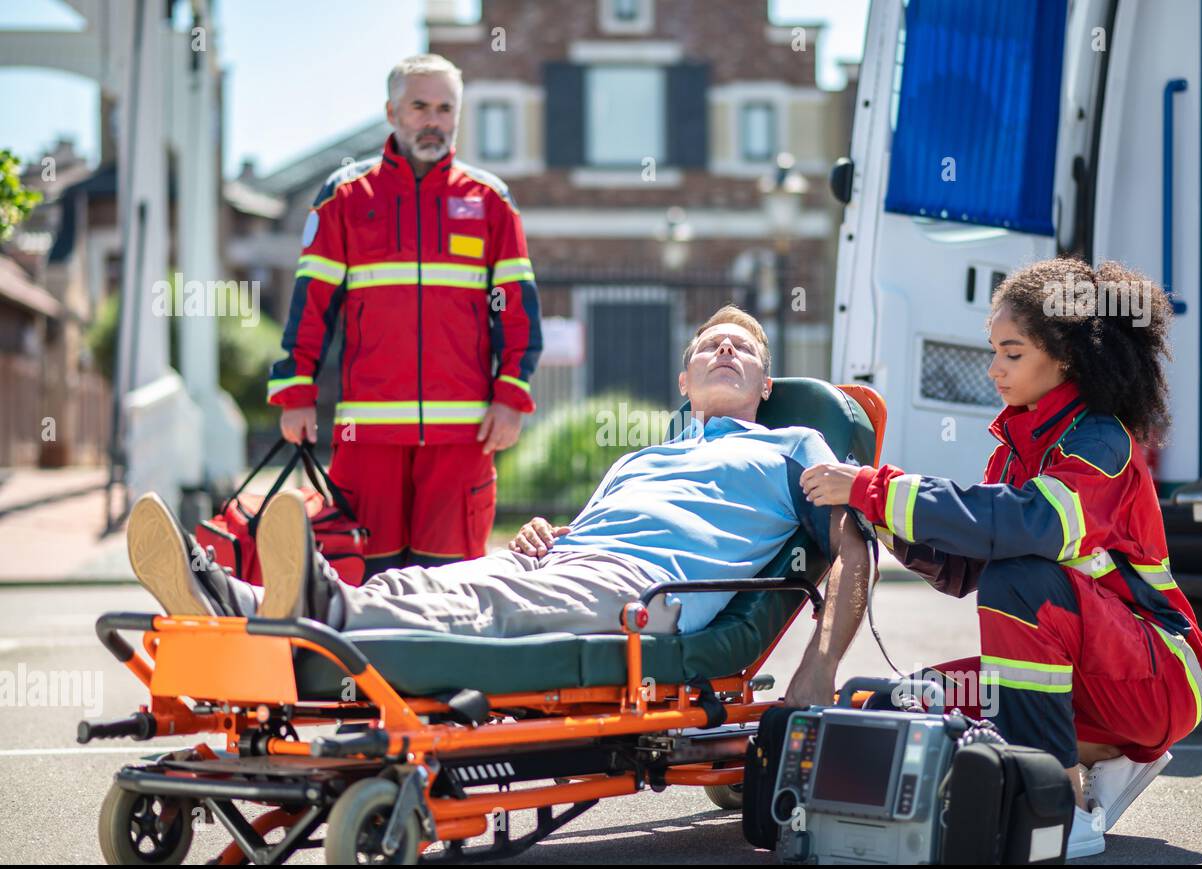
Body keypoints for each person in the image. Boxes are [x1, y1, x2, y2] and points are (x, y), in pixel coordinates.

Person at [131, 307, 872, 706]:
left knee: (486, 598)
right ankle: (236, 595)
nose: (725, 354)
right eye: (711, 346)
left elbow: (853, 548)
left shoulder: (796, 445)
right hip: (579, 565)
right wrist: (555, 531)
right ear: (684, 379)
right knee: (426, 582)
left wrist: (822, 663)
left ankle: (306, 604)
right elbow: (590, 532)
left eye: (743, 351)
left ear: (766, 388)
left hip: (651, 592)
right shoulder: (642, 458)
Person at [799, 257, 1202, 858]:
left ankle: (1059, 810)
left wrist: (873, 487)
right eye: (993, 350)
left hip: (1162, 679)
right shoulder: (1017, 447)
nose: (993, 368)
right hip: (1091, 681)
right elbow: (966, 568)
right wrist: (881, 520)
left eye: (1012, 353)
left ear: (1065, 357)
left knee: (1022, 577)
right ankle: (1090, 757)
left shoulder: (1100, 440)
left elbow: (1029, 526)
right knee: (892, 705)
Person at [266, 53, 542, 577]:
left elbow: (518, 312)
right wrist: (295, 392)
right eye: (420, 106)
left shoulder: (491, 201)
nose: (433, 120)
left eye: (445, 108)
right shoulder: (344, 195)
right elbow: (312, 305)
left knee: (452, 585)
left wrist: (511, 396)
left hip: (462, 438)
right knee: (363, 582)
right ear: (392, 111)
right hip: (367, 438)